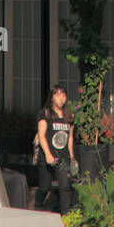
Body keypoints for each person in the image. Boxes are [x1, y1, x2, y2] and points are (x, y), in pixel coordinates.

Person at [35, 84, 75, 214]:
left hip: (63, 157)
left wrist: (71, 157)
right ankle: (38, 205)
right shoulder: (46, 114)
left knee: (65, 186)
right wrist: (47, 154)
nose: (61, 98)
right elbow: (41, 135)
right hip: (48, 156)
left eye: (63, 95)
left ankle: (66, 216)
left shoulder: (69, 116)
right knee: (45, 186)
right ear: (52, 98)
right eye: (57, 95)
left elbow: (70, 138)